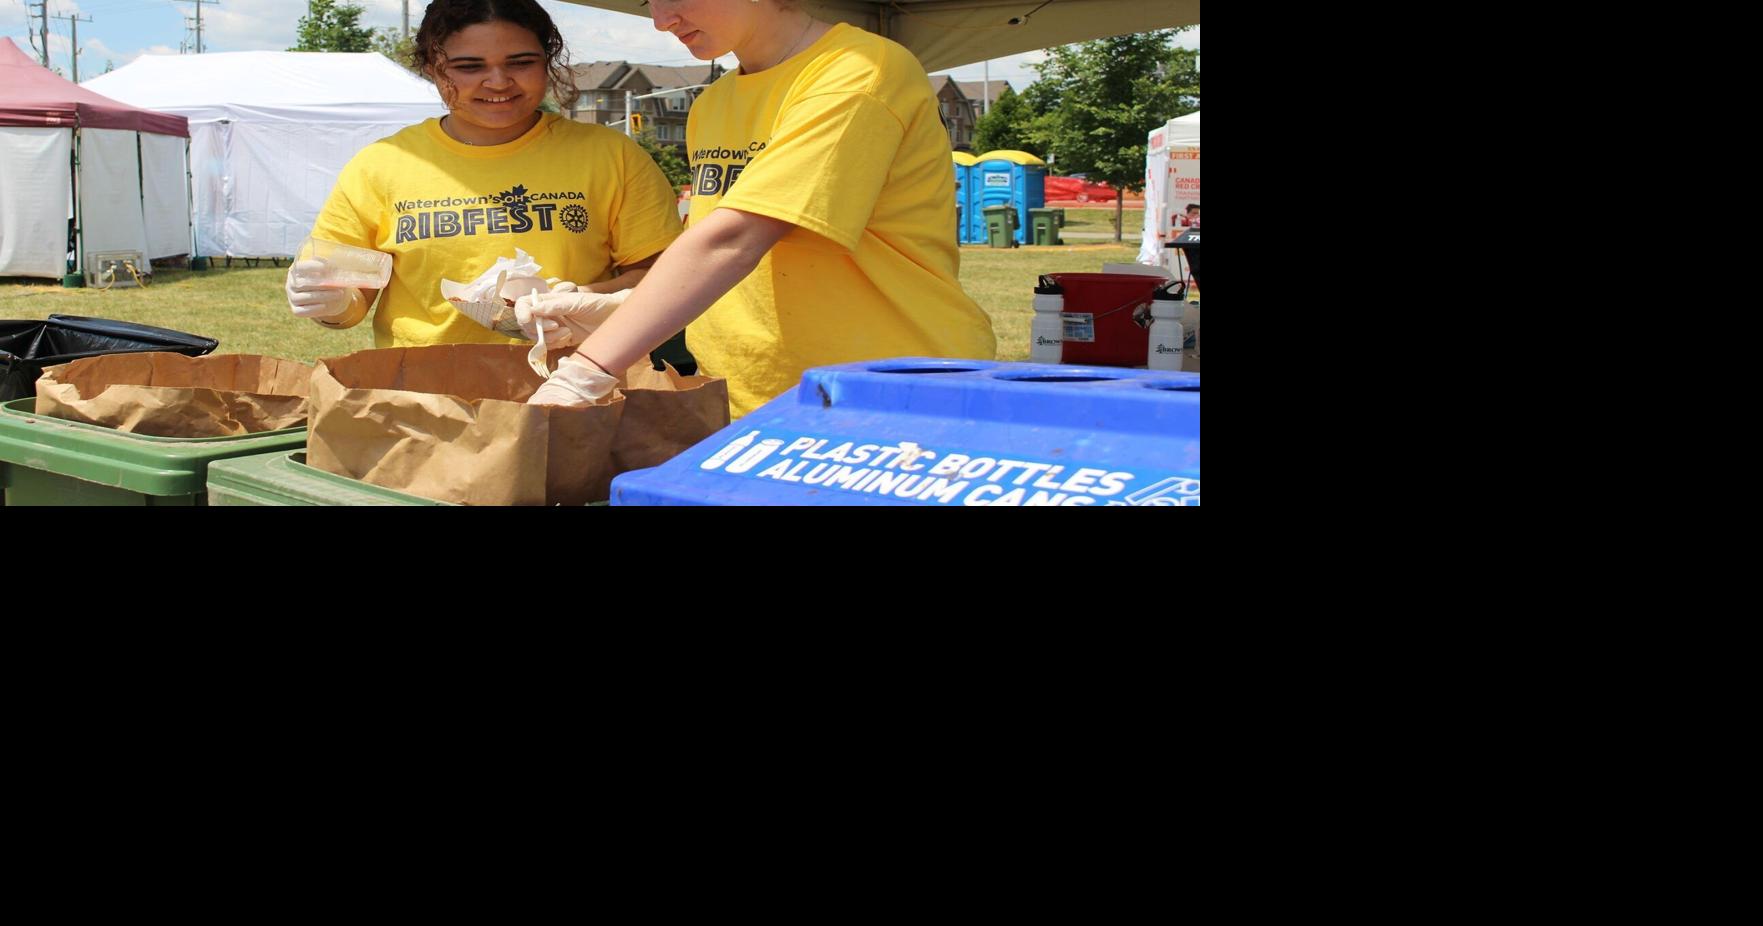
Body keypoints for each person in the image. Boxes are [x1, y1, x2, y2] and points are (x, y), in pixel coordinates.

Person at [520, 0, 996, 416]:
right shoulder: (714, 102)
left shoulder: (860, 69)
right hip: (752, 395)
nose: (662, 20)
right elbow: (742, 264)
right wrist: (619, 310)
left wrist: (587, 370)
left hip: (887, 389)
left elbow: (735, 239)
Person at [283, 0, 683, 353]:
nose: (498, 81)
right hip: (424, 394)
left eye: (520, 62)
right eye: (469, 67)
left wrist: (587, 298)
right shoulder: (382, 164)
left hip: (577, 384)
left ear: (547, 60)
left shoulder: (611, 155)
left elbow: (667, 278)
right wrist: (332, 304)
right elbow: (349, 299)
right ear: (432, 70)